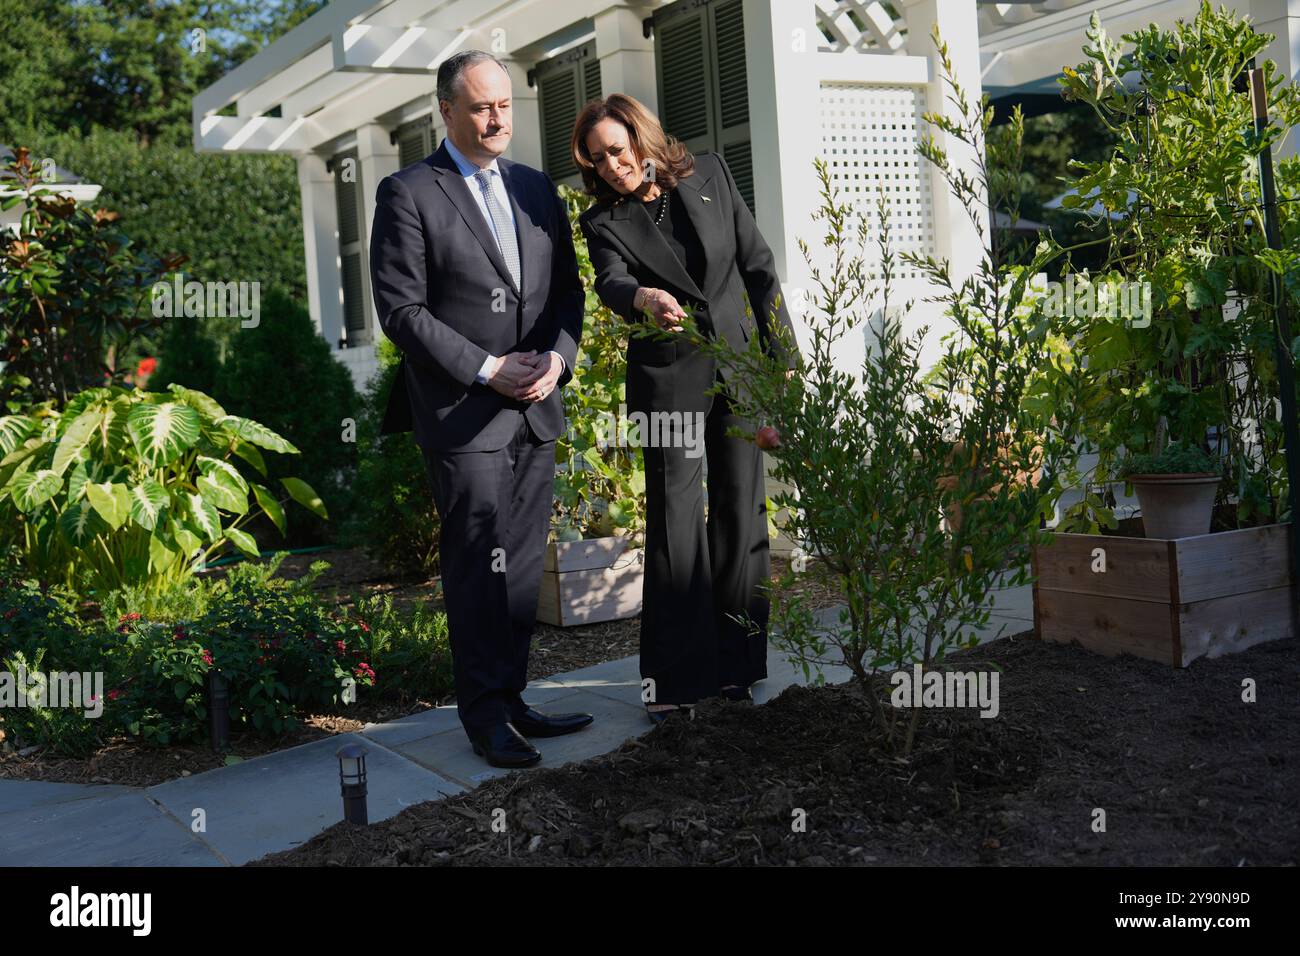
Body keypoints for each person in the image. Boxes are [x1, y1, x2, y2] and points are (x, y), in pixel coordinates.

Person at [369, 50, 591, 768]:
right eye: (481, 107)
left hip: (536, 409)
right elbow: (401, 312)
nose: (497, 119)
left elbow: (568, 297)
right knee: (476, 564)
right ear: (446, 112)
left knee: (522, 565)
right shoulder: (408, 193)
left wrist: (556, 362)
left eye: (504, 106)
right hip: (464, 414)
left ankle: (514, 697)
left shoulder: (534, 189)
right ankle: (484, 715)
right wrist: (491, 369)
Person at [572, 94, 799, 724]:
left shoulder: (711, 174)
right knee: (675, 525)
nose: (612, 166)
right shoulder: (604, 222)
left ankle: (737, 667)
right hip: (668, 382)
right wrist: (643, 295)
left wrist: (785, 375)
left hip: (740, 369)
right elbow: (610, 282)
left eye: (617, 150)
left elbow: (759, 270)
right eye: (597, 160)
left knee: (741, 514)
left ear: (642, 136)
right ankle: (673, 677)